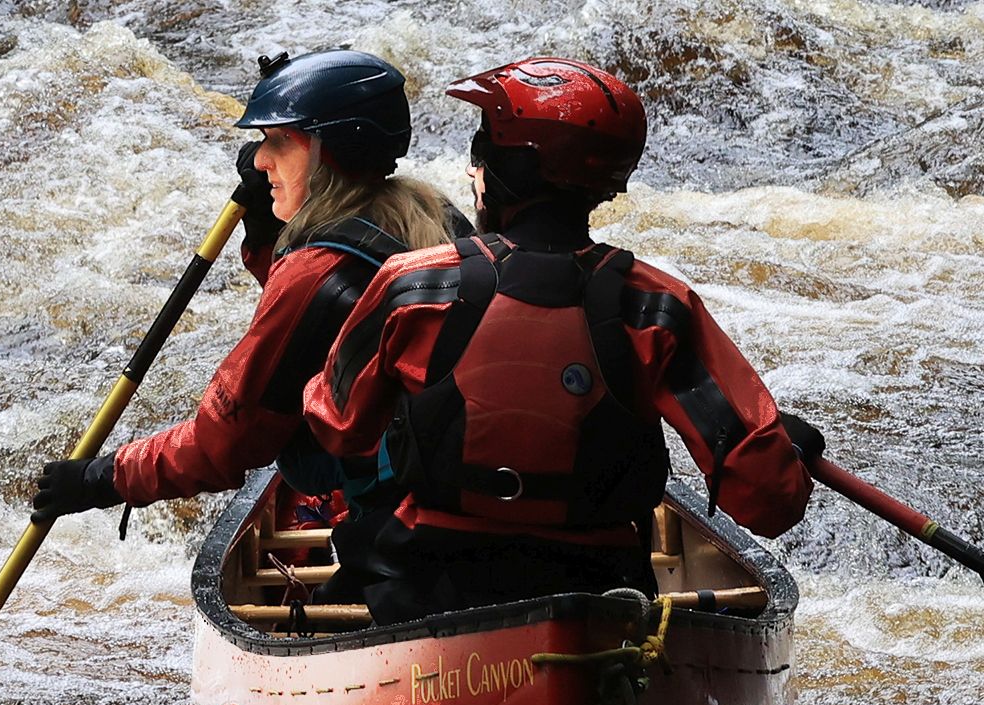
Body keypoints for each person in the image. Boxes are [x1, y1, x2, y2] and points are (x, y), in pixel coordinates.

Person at [304, 56, 820, 623]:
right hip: (599, 589)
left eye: (483, 151)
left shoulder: (413, 283)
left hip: (426, 581)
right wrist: (784, 451)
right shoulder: (659, 306)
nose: (474, 170)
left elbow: (338, 424)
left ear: (508, 169)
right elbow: (768, 502)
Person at [28, 49, 471, 545]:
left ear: (333, 152)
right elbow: (326, 328)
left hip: (401, 519)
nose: (261, 160)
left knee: (300, 446)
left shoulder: (315, 273)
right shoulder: (433, 215)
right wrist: (266, 236)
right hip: (458, 479)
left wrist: (103, 478)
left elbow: (226, 441)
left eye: (279, 141)